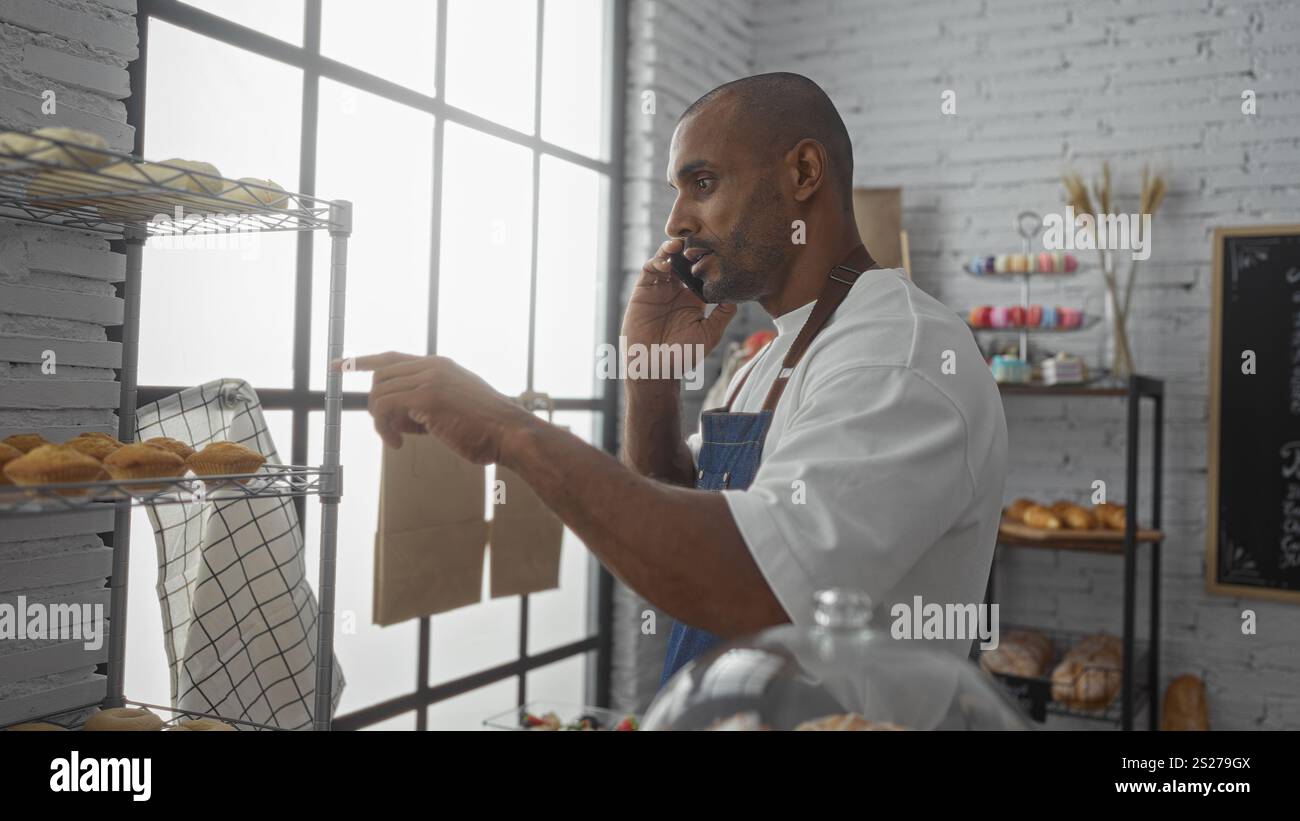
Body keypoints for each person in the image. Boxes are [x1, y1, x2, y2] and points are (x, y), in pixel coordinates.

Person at [347, 72, 1008, 686]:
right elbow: (674, 517)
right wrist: (652, 374)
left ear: (803, 172)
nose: (675, 223)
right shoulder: (767, 355)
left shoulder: (899, 352)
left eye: (702, 182)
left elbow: (753, 584)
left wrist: (511, 432)